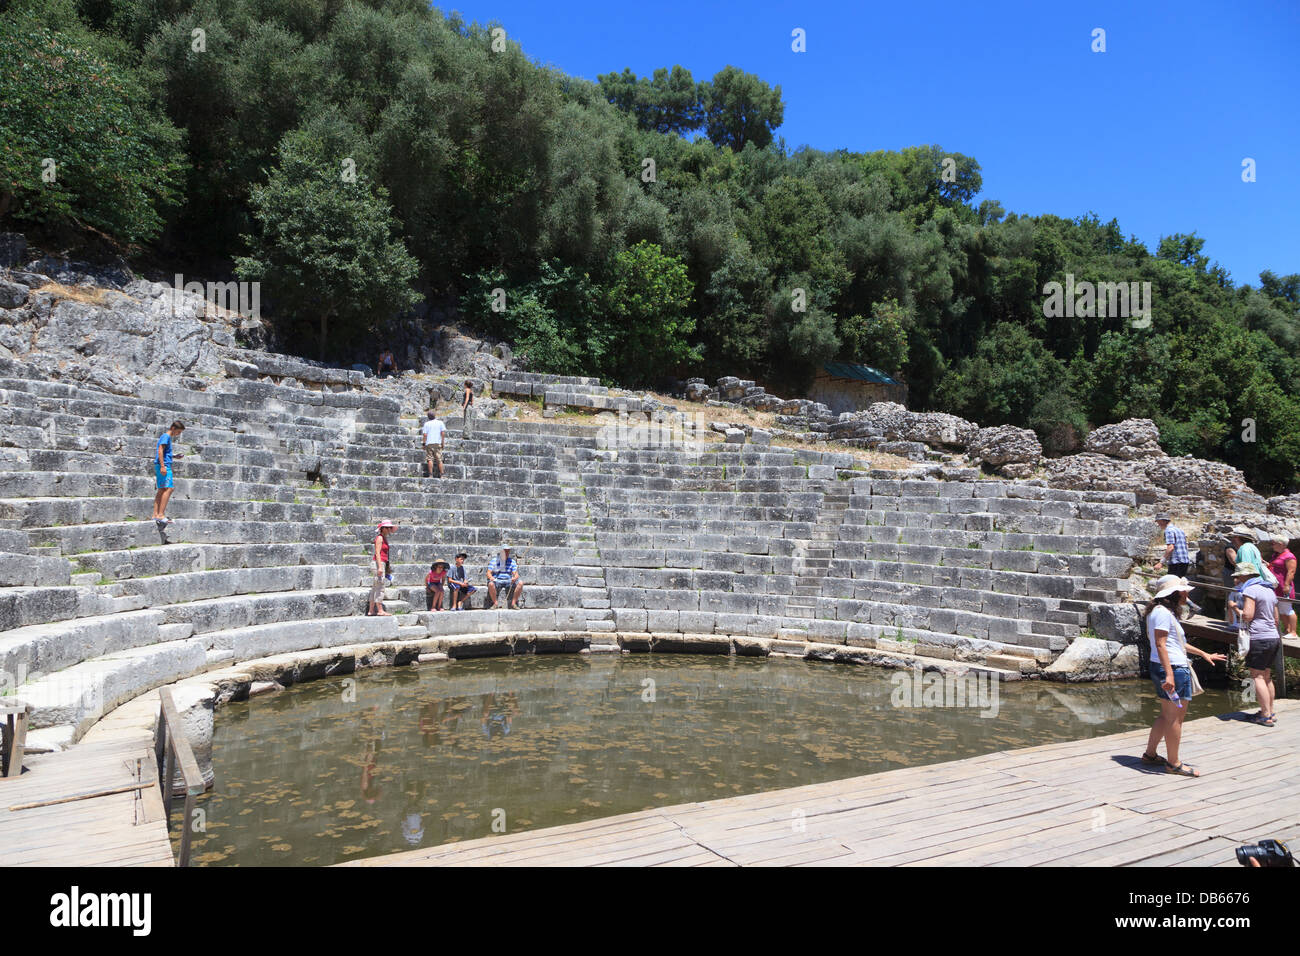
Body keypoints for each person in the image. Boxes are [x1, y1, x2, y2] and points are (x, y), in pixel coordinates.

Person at [1142, 574, 1228, 776]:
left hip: (1161, 666)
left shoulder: (1157, 611)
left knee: (1166, 715)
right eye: (1184, 591)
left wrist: (1203, 653)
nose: (1187, 594)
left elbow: (1174, 643)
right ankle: (1173, 763)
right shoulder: (1163, 613)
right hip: (1173, 669)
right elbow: (1161, 644)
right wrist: (1170, 675)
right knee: (1175, 719)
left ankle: (1150, 754)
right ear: (1174, 593)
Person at [1232, 562, 1281, 727]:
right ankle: (1269, 711)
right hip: (1273, 637)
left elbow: (1247, 615)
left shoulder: (1250, 590)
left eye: (1238, 576)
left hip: (1258, 638)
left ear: (1245, 576)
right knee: (1267, 676)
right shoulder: (1269, 590)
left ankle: (1265, 715)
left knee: (1257, 676)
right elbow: (1276, 619)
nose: (1237, 580)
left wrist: (1235, 609)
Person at [152, 421, 186, 535]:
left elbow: (164, 452)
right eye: (178, 431)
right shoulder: (166, 436)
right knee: (169, 488)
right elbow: (160, 450)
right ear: (173, 428)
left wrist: (174, 456)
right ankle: (161, 515)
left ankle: (156, 514)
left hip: (163, 464)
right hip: (164, 466)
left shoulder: (166, 437)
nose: (178, 434)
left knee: (162, 489)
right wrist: (162, 466)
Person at [1267, 535, 1296, 638]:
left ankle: (1293, 632)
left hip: (1284, 586)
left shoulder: (1289, 556)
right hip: (1277, 587)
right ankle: (1287, 630)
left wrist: (1287, 585)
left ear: (1280, 544)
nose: (1272, 546)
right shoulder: (1277, 554)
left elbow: (1291, 571)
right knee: (1282, 609)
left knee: (1287, 609)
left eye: (1273, 543)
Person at [369, 520, 398, 616]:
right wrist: (380, 567)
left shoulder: (384, 538)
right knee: (380, 586)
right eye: (388, 528)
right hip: (378, 563)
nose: (390, 529)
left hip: (381, 563)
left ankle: (371, 610)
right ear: (383, 528)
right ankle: (380, 610)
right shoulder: (380, 538)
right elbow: (377, 553)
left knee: (375, 586)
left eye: (390, 528)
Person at [486, 544, 523, 610]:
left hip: (509, 580)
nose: (507, 553)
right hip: (497, 580)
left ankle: (513, 603)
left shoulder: (512, 561)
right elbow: (488, 573)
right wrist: (491, 578)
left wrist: (514, 578)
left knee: (520, 583)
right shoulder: (494, 561)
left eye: (508, 551)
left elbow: (516, 574)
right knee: (490, 584)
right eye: (505, 551)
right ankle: (495, 603)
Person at [419, 409, 446, 479]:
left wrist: (424, 444)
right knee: (439, 459)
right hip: (437, 442)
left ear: (428, 417)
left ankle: (431, 475)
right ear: (435, 415)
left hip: (429, 443)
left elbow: (425, 435)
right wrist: (443, 442)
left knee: (430, 459)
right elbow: (443, 433)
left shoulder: (427, 424)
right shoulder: (440, 423)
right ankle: (442, 474)